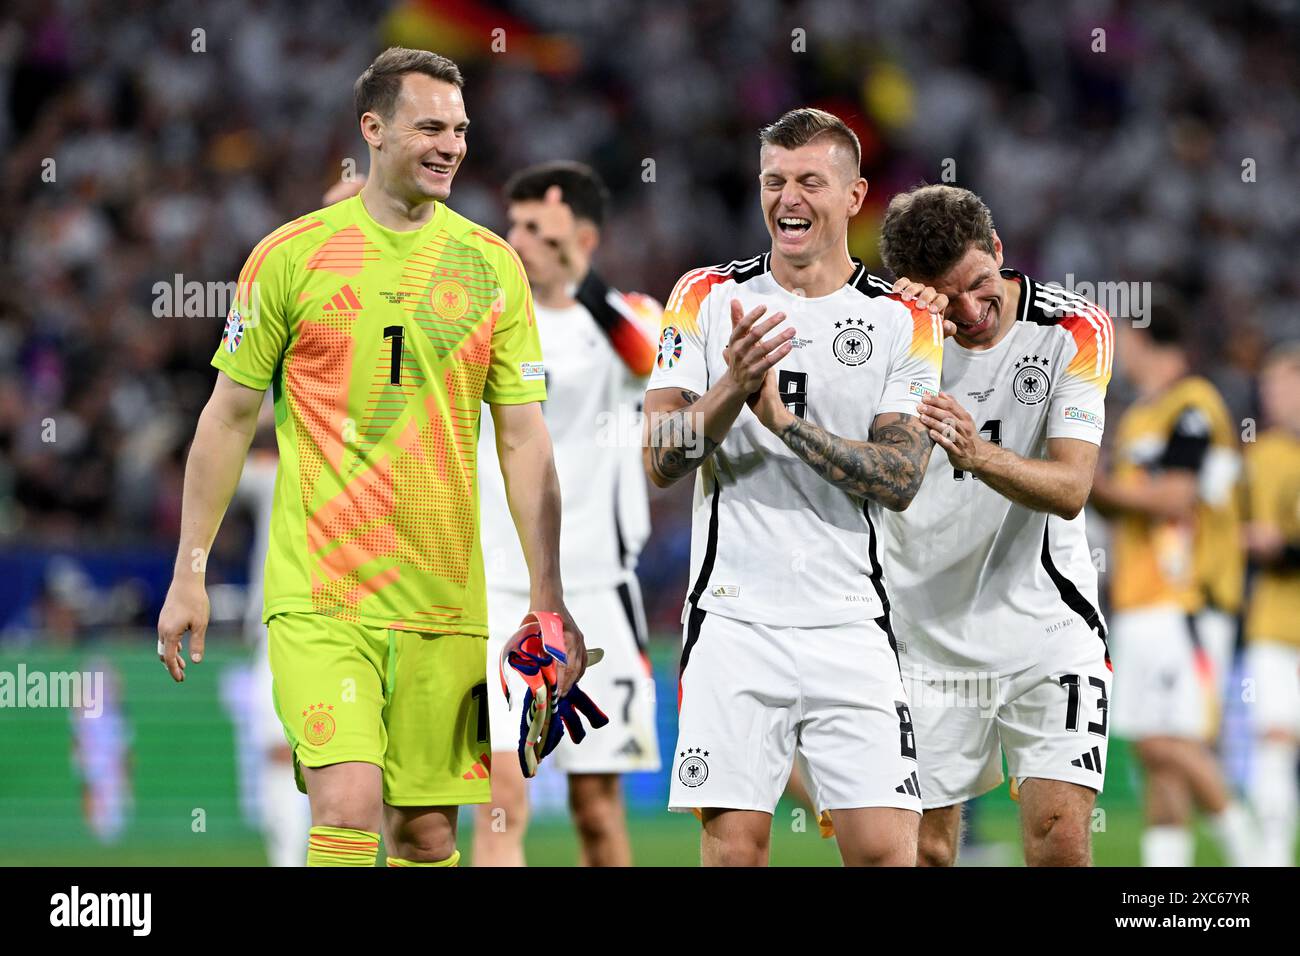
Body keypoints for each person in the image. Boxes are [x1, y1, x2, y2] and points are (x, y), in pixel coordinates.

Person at [155, 47, 586, 868]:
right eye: (430, 126)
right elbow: (228, 416)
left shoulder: (492, 268)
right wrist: (191, 571)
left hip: (440, 598)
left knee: (425, 835)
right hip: (320, 593)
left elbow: (524, 438)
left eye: (460, 129)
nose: (450, 145)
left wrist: (548, 598)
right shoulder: (288, 257)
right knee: (346, 807)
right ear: (373, 129)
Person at [644, 107, 947, 866]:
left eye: (811, 180)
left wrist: (781, 421)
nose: (789, 199)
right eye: (773, 181)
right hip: (733, 619)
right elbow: (660, 457)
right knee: (735, 850)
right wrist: (729, 390)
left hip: (852, 619)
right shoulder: (705, 297)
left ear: (855, 196)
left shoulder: (902, 318)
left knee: (884, 850)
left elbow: (900, 476)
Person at [875, 184, 1114, 866]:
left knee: (1062, 837)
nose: (973, 312)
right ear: (913, 289)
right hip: (922, 635)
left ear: (1000, 252)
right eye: (948, 301)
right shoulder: (884, 335)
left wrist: (978, 454)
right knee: (922, 852)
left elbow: (1071, 489)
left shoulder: (1074, 330)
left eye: (982, 284)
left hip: (1047, 625)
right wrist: (904, 338)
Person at [474, 161, 661, 867]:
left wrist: (581, 276)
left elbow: (653, 359)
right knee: (502, 800)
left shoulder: (625, 320)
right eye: (514, 223)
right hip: (496, 590)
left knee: (597, 812)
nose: (516, 238)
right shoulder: (485, 321)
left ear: (581, 237)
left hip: (599, 589)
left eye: (534, 227)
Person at [1090, 302, 1254, 866]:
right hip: (1142, 598)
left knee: (1165, 738)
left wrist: (1093, 484)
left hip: (1185, 598)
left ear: (1150, 340)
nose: (1122, 354)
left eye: (1127, 341)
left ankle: (1253, 853)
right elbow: (1125, 506)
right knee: (1155, 752)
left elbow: (1177, 497)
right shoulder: (1141, 415)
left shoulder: (1193, 404)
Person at [1241, 342, 1300, 867]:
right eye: (1272, 386)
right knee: (1275, 740)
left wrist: (1280, 545)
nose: (1277, 397)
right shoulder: (1259, 457)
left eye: (1286, 385)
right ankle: (1272, 858)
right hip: (1276, 624)